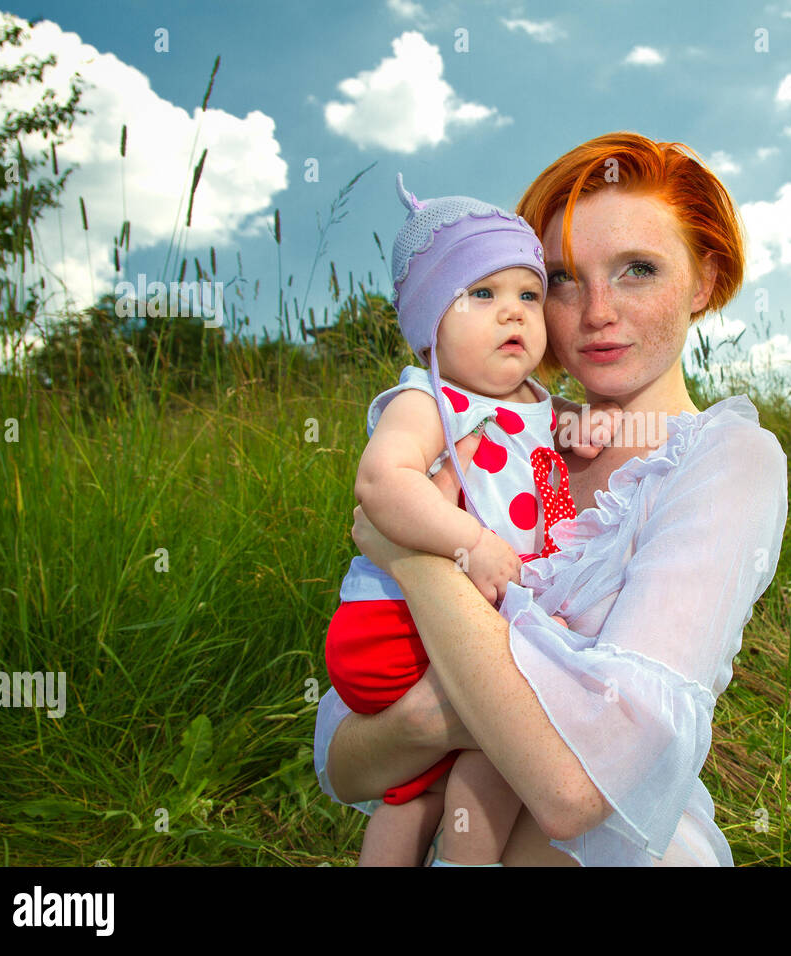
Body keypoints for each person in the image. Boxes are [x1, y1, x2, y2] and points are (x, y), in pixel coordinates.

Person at [313, 131, 790, 866]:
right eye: (563, 279)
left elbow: (573, 790)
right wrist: (448, 717)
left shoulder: (726, 460)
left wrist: (415, 558)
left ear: (702, 282)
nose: (597, 310)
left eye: (638, 269)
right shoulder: (508, 437)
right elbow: (348, 766)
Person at [324, 175, 580, 866]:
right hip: (397, 627)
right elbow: (383, 482)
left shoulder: (538, 403)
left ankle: (452, 851)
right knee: (495, 745)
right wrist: (469, 540)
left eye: (529, 295)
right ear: (429, 323)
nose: (514, 314)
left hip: (457, 625)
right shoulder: (432, 398)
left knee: (427, 788)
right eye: (483, 295)